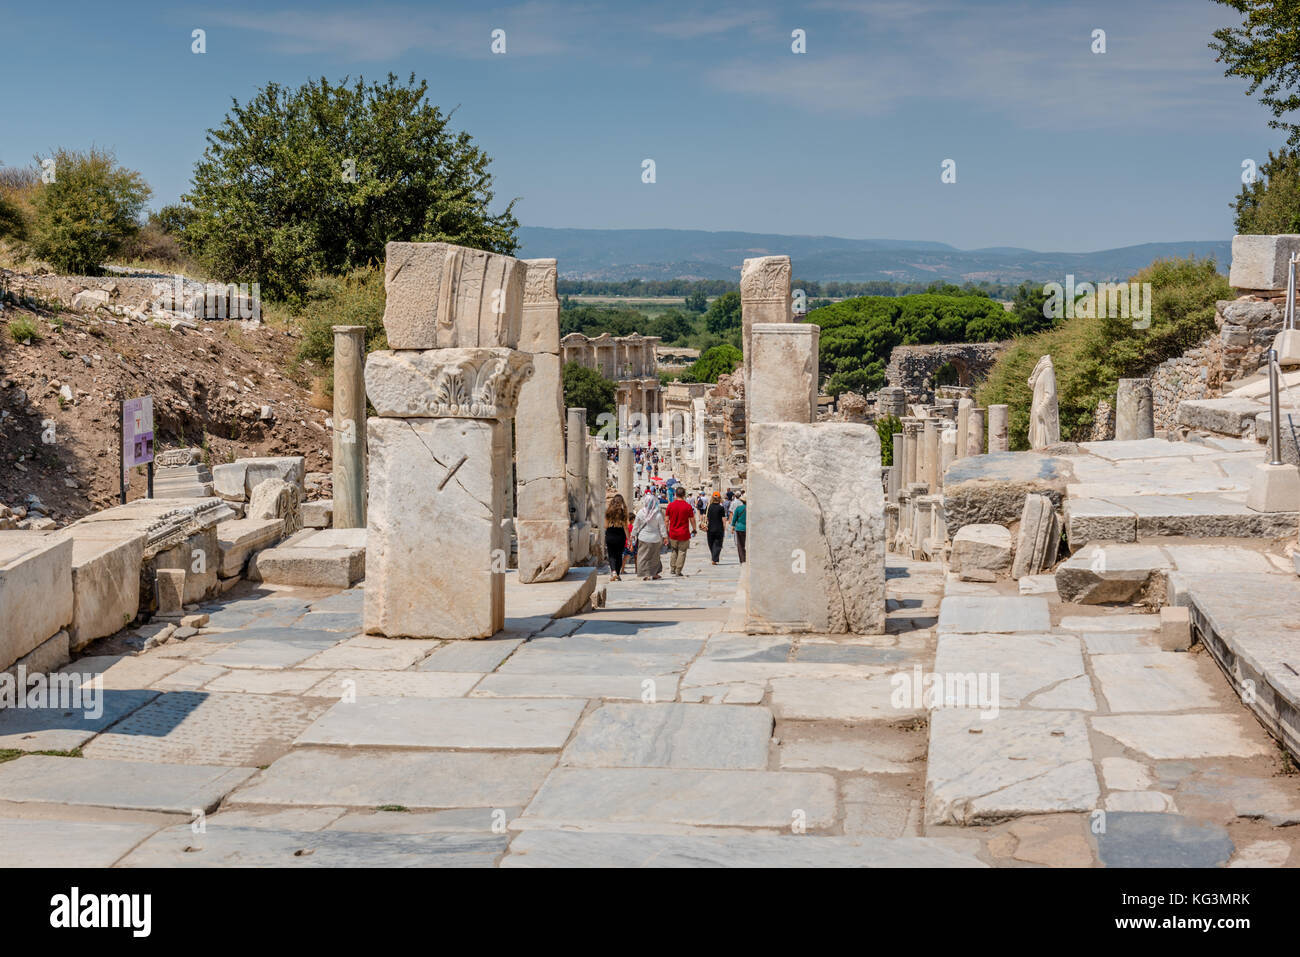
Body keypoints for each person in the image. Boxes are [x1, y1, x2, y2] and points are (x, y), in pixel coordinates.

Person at [630, 492, 666, 580]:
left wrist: (633, 535)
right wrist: (665, 537)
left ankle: (644, 574)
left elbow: (636, 526)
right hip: (655, 538)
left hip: (643, 538)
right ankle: (654, 574)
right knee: (654, 557)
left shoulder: (640, 513)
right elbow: (662, 526)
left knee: (642, 556)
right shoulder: (657, 514)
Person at [664, 485, 697, 576]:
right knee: (682, 551)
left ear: (675, 494)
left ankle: (672, 568)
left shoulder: (670, 505)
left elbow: (666, 520)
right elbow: (692, 519)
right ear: (684, 495)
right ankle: (678, 570)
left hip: (673, 533)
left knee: (674, 550)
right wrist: (694, 529)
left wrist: (666, 531)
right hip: (684, 533)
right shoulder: (688, 506)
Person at [605, 494, 629, 581]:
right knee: (619, 555)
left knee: (611, 554)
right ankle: (618, 574)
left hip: (610, 534)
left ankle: (613, 571)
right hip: (620, 535)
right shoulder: (623, 512)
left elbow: (605, 525)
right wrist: (629, 539)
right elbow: (626, 527)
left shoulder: (608, 512)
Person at [705, 490, 727, 564]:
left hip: (710, 528)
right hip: (719, 528)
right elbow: (723, 518)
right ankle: (714, 558)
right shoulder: (721, 508)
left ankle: (714, 557)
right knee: (718, 544)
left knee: (711, 543)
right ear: (720, 498)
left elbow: (707, 518)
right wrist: (724, 527)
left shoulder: (709, 507)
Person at [731, 493, 747, 563]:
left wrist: (732, 527)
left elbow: (734, 519)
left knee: (740, 545)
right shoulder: (750, 509)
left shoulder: (739, 508)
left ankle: (742, 559)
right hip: (748, 529)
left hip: (739, 528)